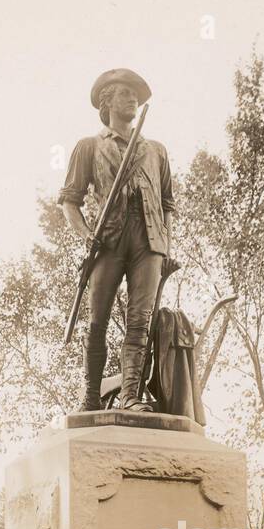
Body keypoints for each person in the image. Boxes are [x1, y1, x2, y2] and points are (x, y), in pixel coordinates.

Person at [59, 68, 177, 412]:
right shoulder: (89, 147)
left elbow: (167, 203)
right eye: (126, 94)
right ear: (107, 101)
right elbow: (70, 201)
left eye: (136, 95)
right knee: (97, 321)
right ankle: (91, 397)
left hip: (149, 241)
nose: (134, 100)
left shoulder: (157, 151)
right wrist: (87, 237)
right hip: (108, 241)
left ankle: (129, 396)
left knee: (141, 320)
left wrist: (166, 243)